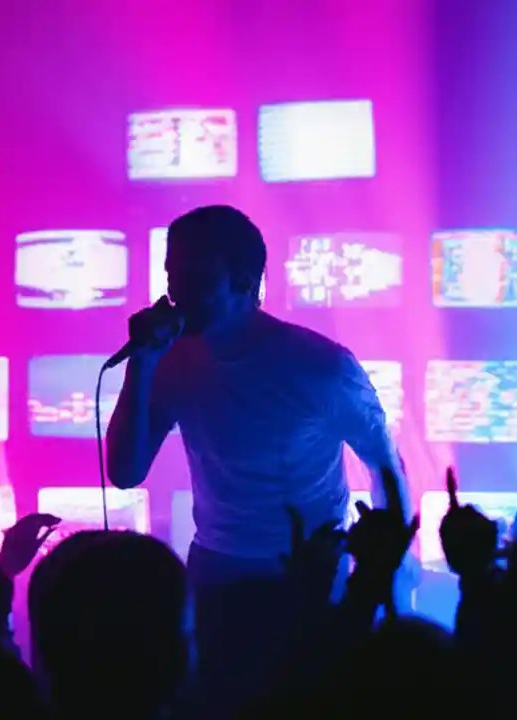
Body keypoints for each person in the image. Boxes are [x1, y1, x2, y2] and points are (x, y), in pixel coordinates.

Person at [105, 205, 413, 712]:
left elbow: (383, 462)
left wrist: (386, 570)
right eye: (170, 274)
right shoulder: (172, 362)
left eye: (195, 277)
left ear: (246, 282)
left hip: (310, 571)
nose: (175, 292)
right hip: (216, 565)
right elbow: (124, 472)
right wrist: (141, 368)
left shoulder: (320, 365)